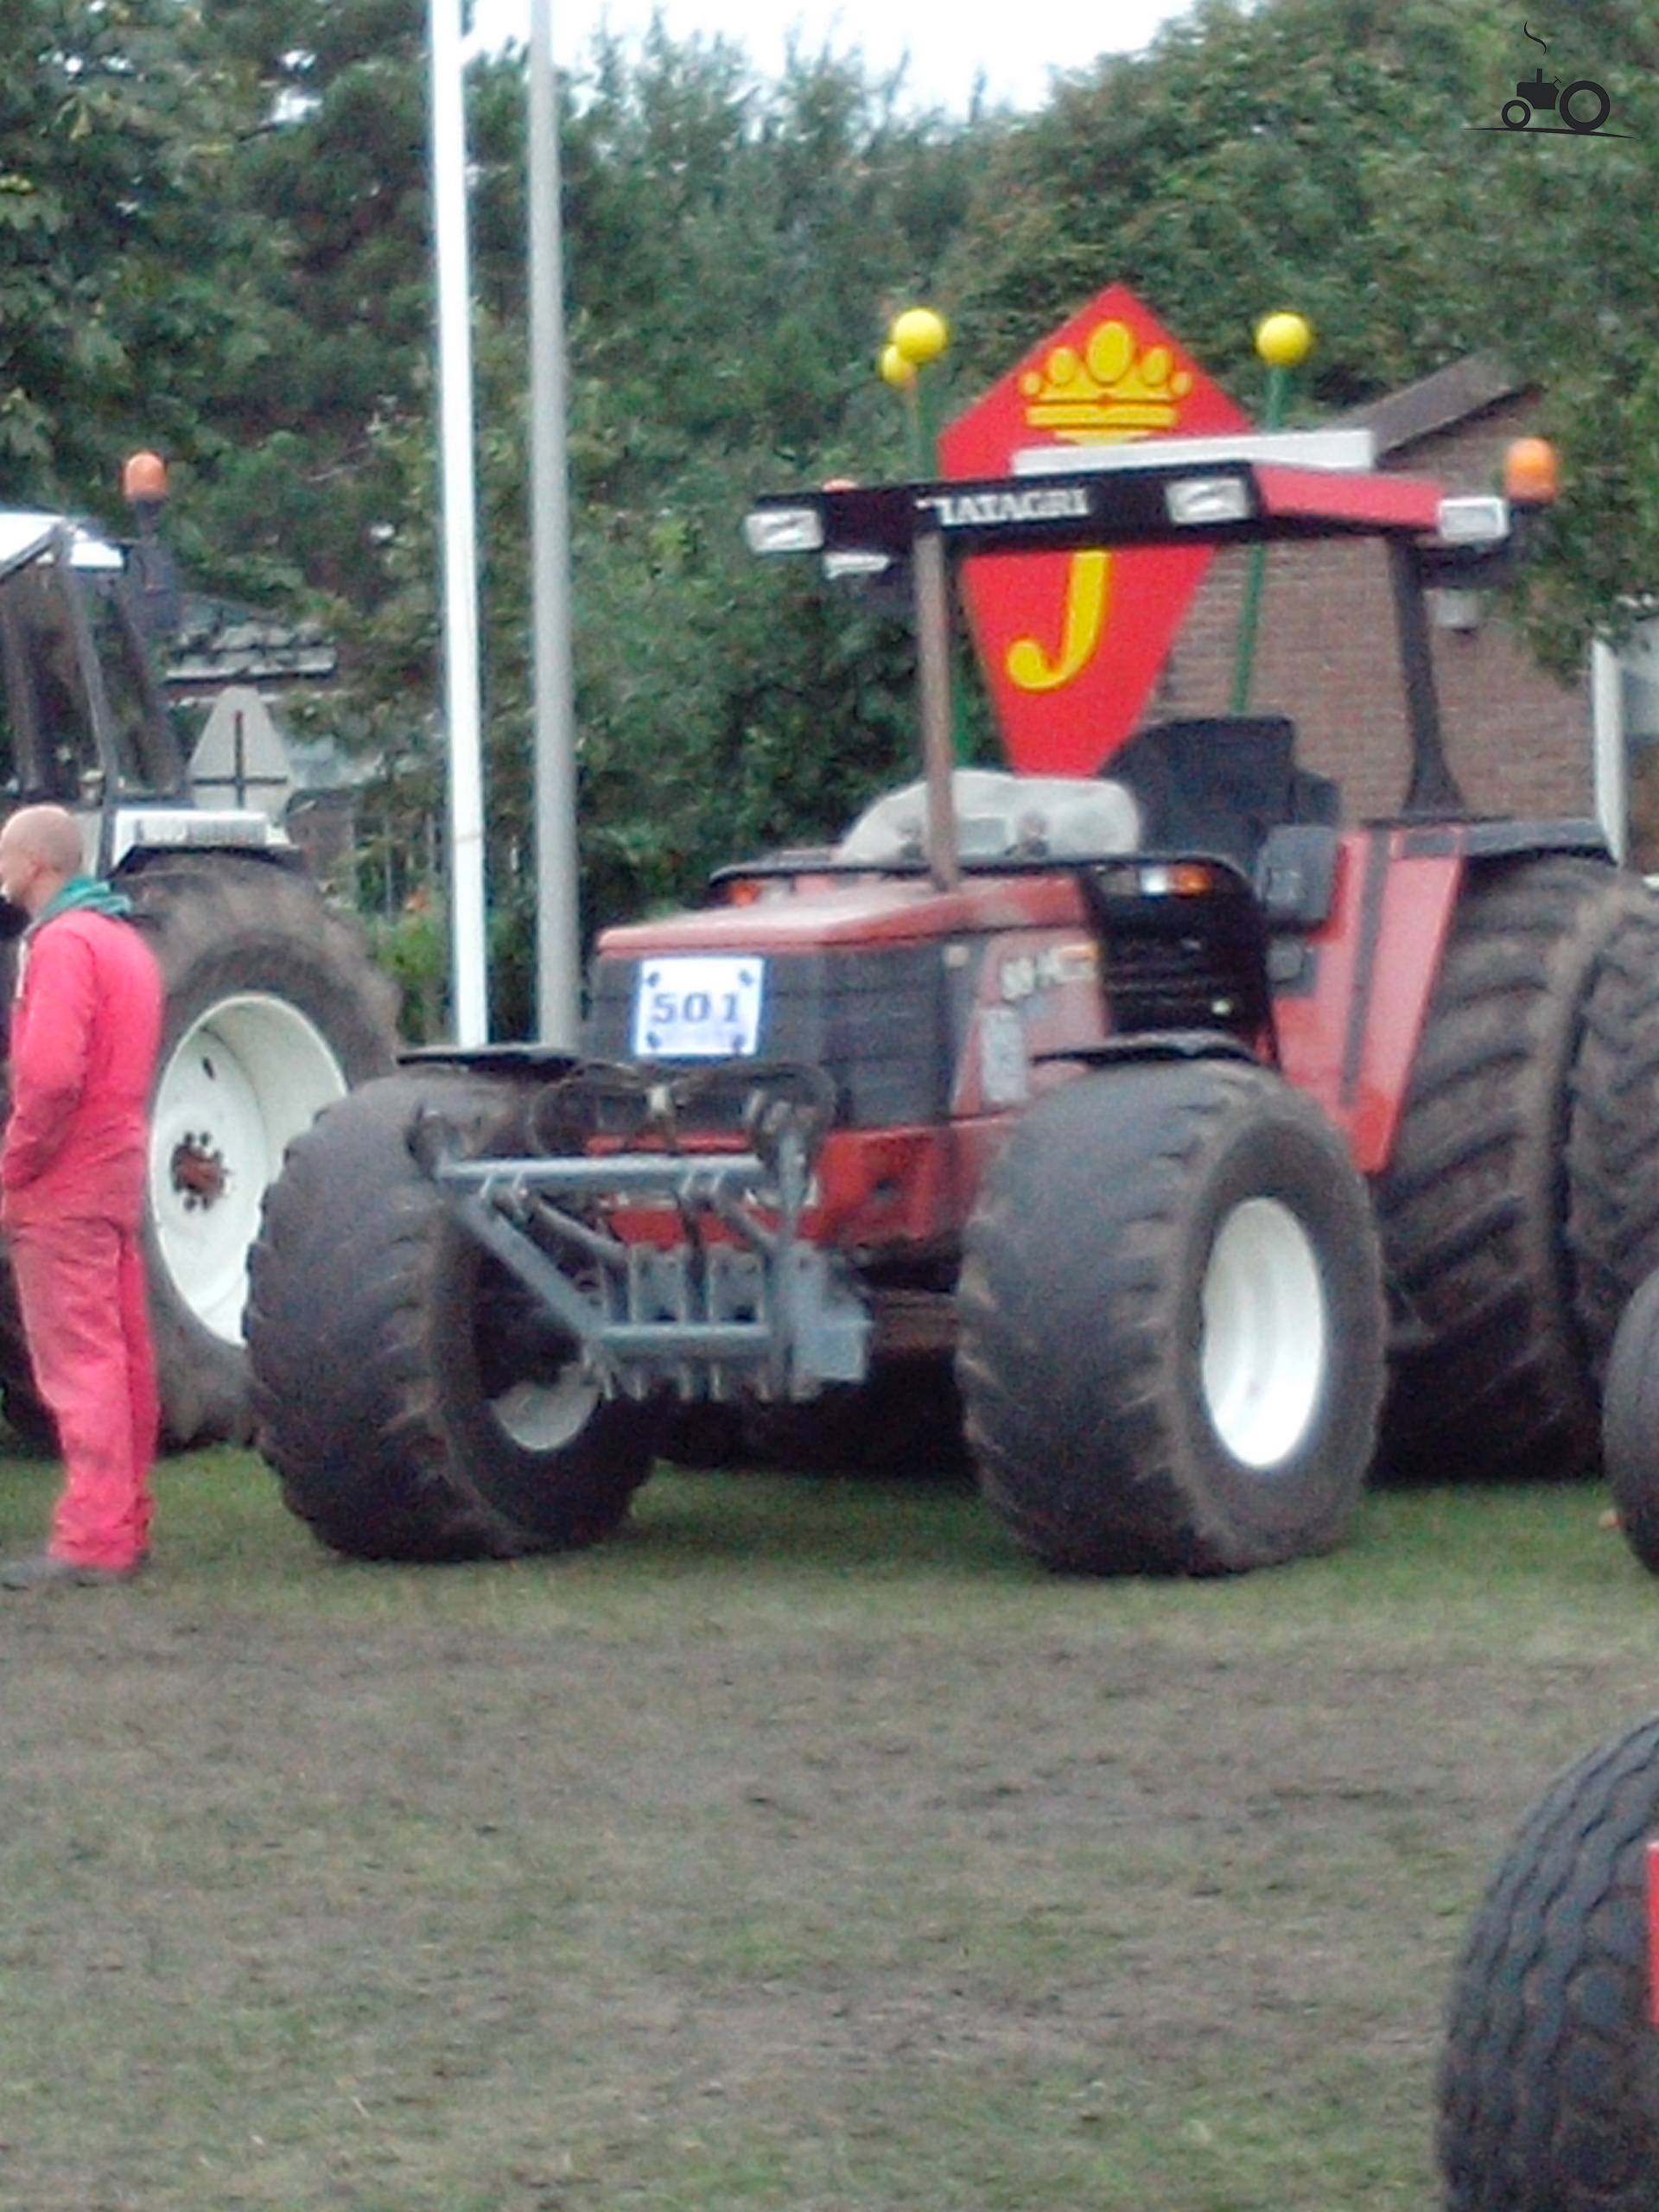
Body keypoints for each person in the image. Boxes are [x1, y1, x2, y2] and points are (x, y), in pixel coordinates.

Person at [0, 804, 163, 1588]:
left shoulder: (60, 945)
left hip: (62, 1175)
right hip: (117, 1165)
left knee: (78, 1360)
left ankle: (92, 1537)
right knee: (122, 1350)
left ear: (33, 865)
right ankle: (124, 1517)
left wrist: (14, 1165)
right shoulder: (123, 941)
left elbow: (49, 1076)